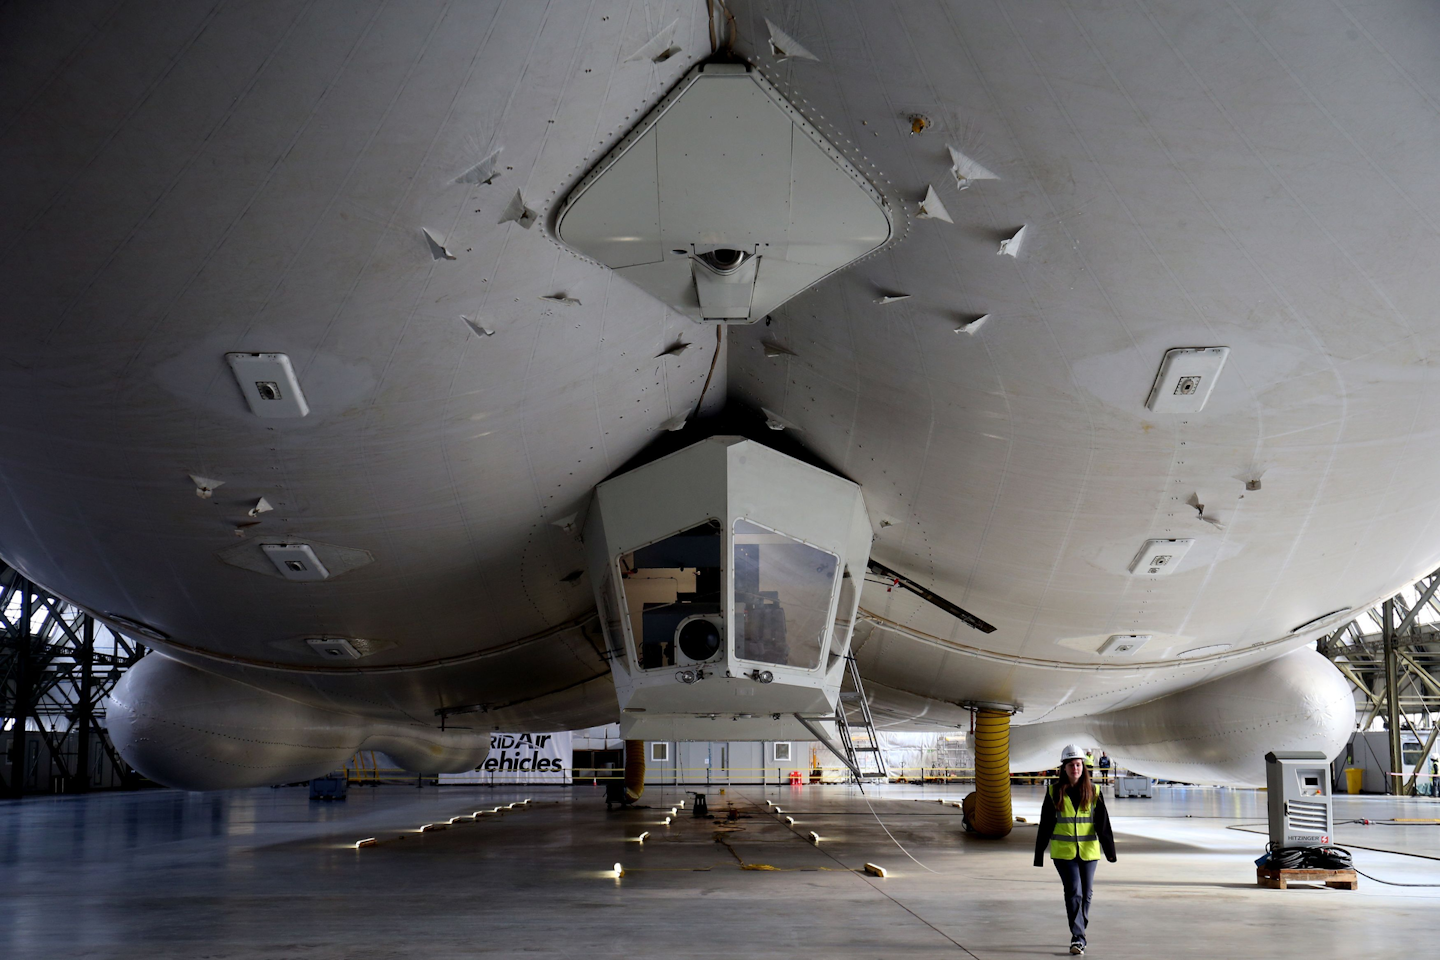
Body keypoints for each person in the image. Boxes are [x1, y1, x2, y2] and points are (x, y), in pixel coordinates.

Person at [1035, 743, 1117, 956]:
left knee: (1087, 894)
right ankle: (1078, 938)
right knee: (1074, 892)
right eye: (1071, 765)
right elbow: (1045, 824)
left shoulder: (1093, 791)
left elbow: (1103, 824)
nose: (1075, 768)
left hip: (1088, 852)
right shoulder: (1054, 792)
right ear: (1064, 768)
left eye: (1079, 764)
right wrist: (1038, 854)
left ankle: (1080, 929)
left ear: (1084, 767)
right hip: (1064, 853)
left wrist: (1110, 852)